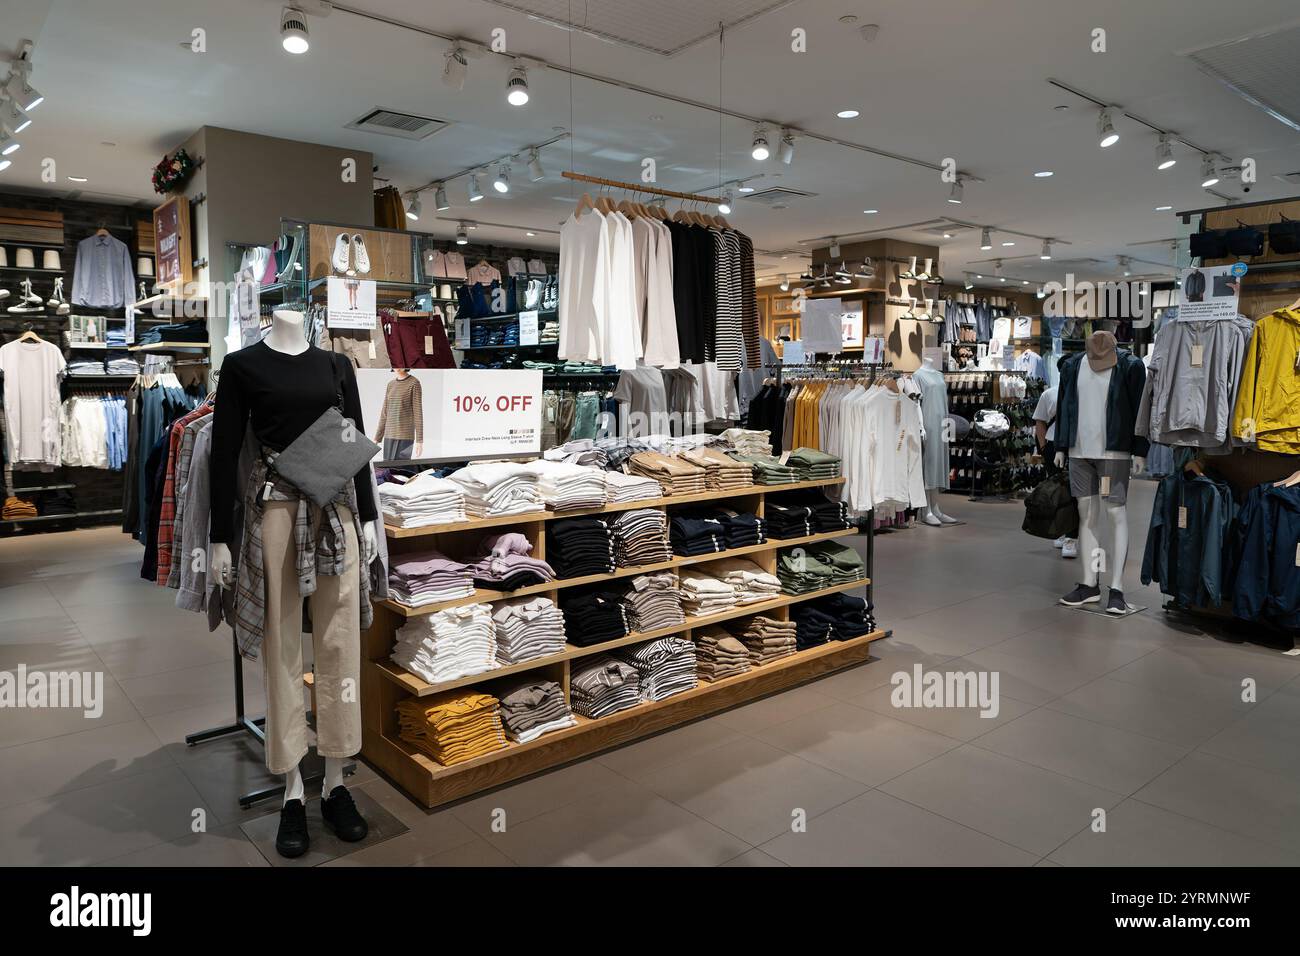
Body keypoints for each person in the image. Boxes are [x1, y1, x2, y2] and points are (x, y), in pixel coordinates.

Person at [1032, 383, 1077, 559]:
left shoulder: (1083, 390)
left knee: (1074, 492)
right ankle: (1060, 530)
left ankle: (1071, 537)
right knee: (1057, 491)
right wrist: (1043, 447)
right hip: (1053, 444)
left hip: (1077, 446)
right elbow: (1040, 421)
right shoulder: (1049, 394)